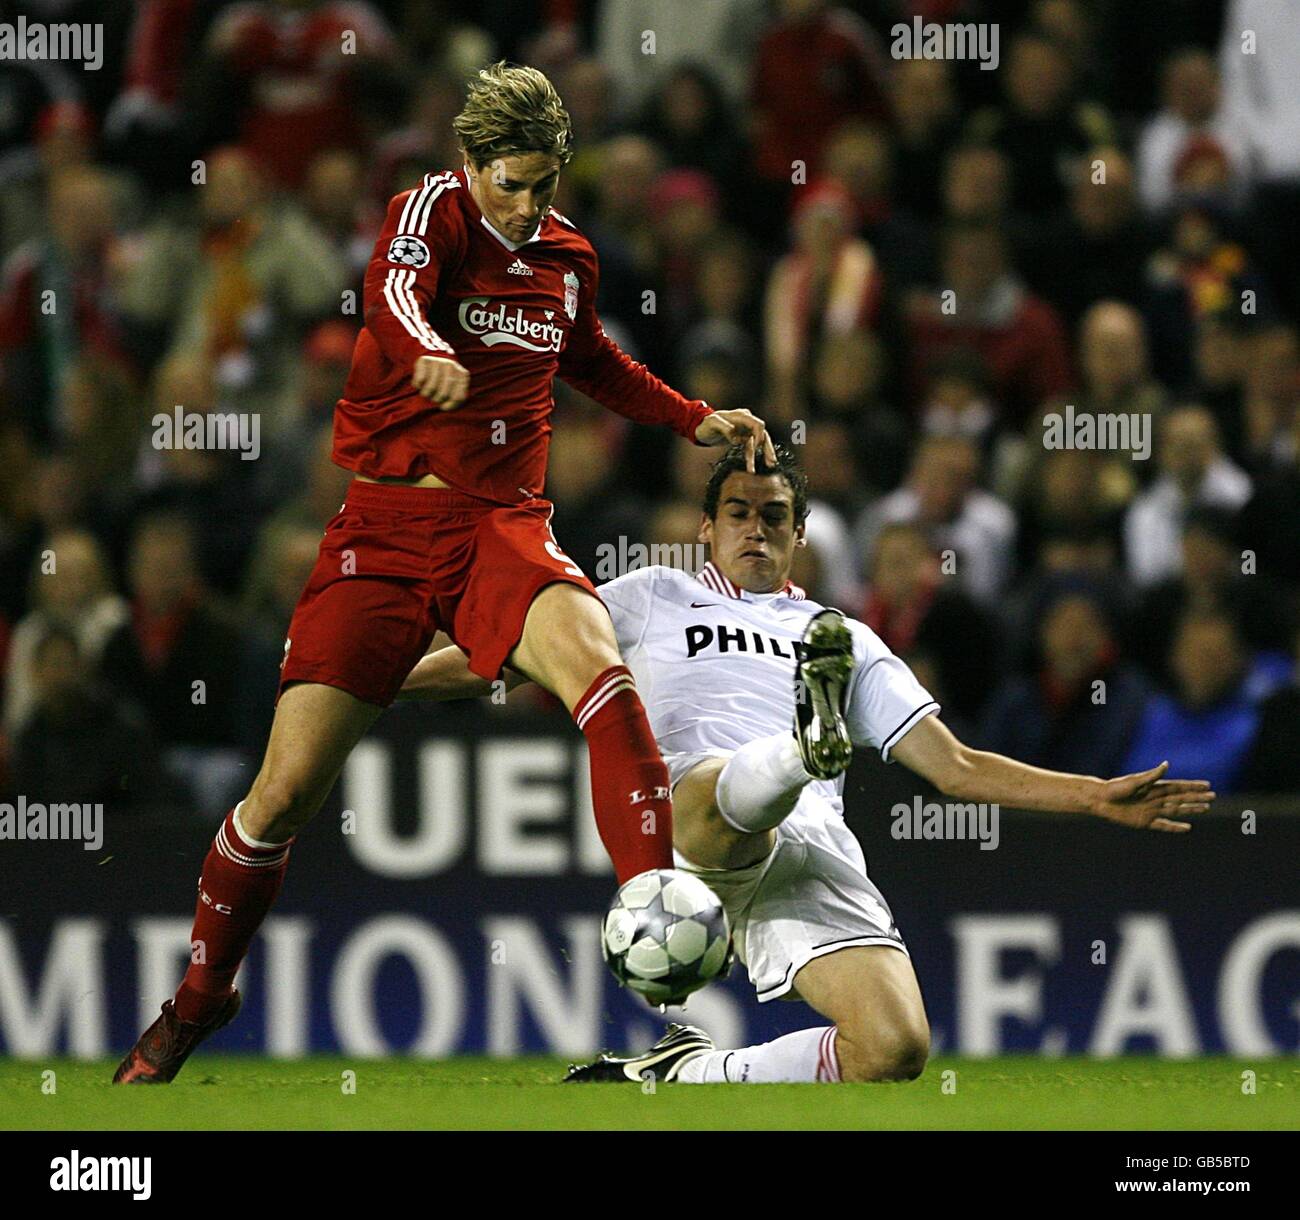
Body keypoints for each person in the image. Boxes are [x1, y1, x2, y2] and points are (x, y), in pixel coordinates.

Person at [112, 62, 772, 1085]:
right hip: (379, 529)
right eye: (509, 182)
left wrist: (693, 417)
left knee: (602, 678)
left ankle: (656, 902)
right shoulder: (431, 208)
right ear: (469, 165)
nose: (526, 204)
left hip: (500, 523)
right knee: (281, 795)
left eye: (545, 183)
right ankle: (200, 997)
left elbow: (589, 357)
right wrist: (427, 346)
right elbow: (391, 294)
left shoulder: (566, 257)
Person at [402, 444, 1213, 1084]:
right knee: (715, 792)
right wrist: (370, 684)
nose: (757, 529)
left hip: (809, 842)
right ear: (706, 529)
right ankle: (804, 745)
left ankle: (684, 1074)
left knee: (893, 1048)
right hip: (687, 830)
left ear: (800, 532)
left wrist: (1095, 796)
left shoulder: (845, 637)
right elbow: (498, 659)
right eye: (739, 513)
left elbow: (956, 768)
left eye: (776, 516)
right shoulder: (648, 596)